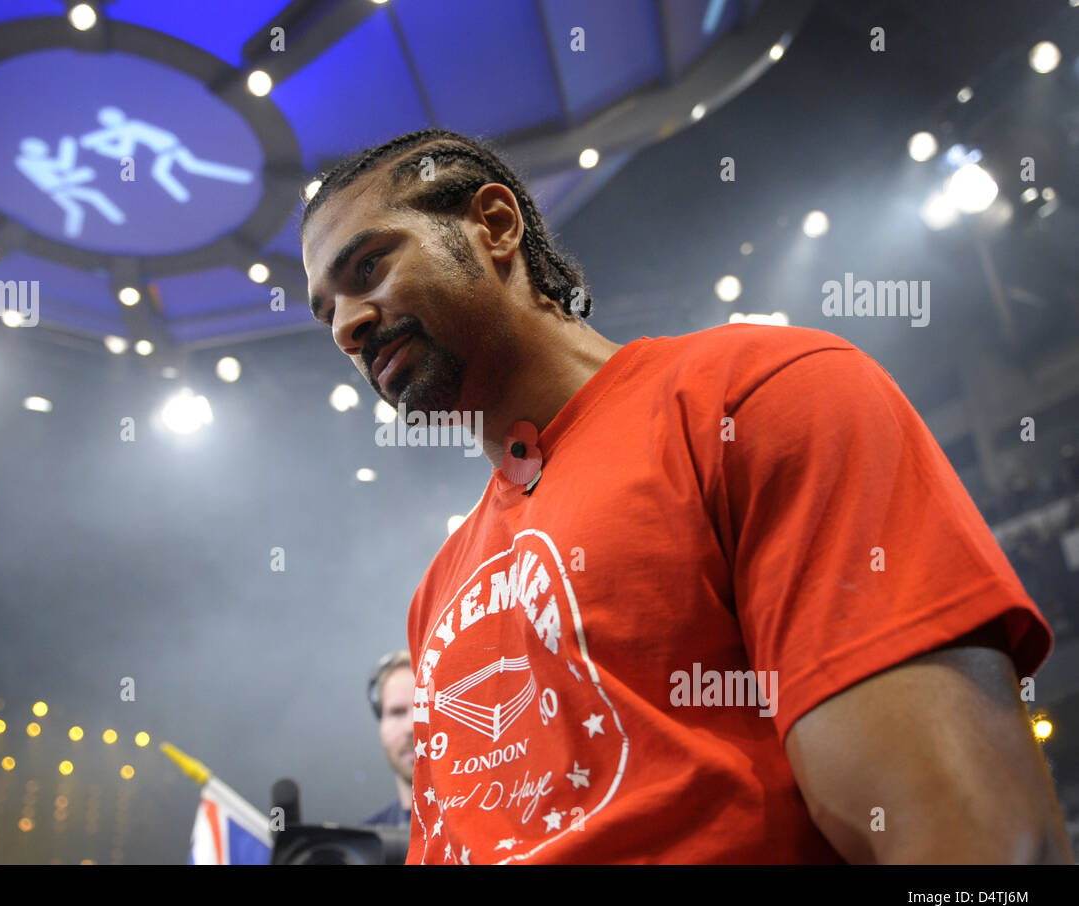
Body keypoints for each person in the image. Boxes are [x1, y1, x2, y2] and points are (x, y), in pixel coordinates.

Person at [300, 128, 1074, 865]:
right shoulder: (437, 594)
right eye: (326, 309)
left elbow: (977, 848)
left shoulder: (760, 397)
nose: (347, 326)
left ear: (495, 225)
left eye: (367, 267)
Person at [363, 650, 414, 826]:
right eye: (397, 713)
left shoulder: (489, 826)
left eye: (424, 709)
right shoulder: (369, 845)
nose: (411, 727)